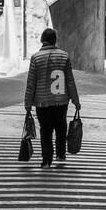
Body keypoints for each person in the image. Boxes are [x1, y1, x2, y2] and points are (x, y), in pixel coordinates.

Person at [23, 27, 80, 168]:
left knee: (46, 130)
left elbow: (31, 82)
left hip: (42, 102)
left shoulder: (35, 58)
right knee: (61, 127)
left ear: (42, 40)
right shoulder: (64, 56)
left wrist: (28, 102)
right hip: (61, 101)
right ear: (55, 40)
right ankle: (61, 154)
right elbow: (70, 81)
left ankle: (47, 160)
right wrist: (76, 100)